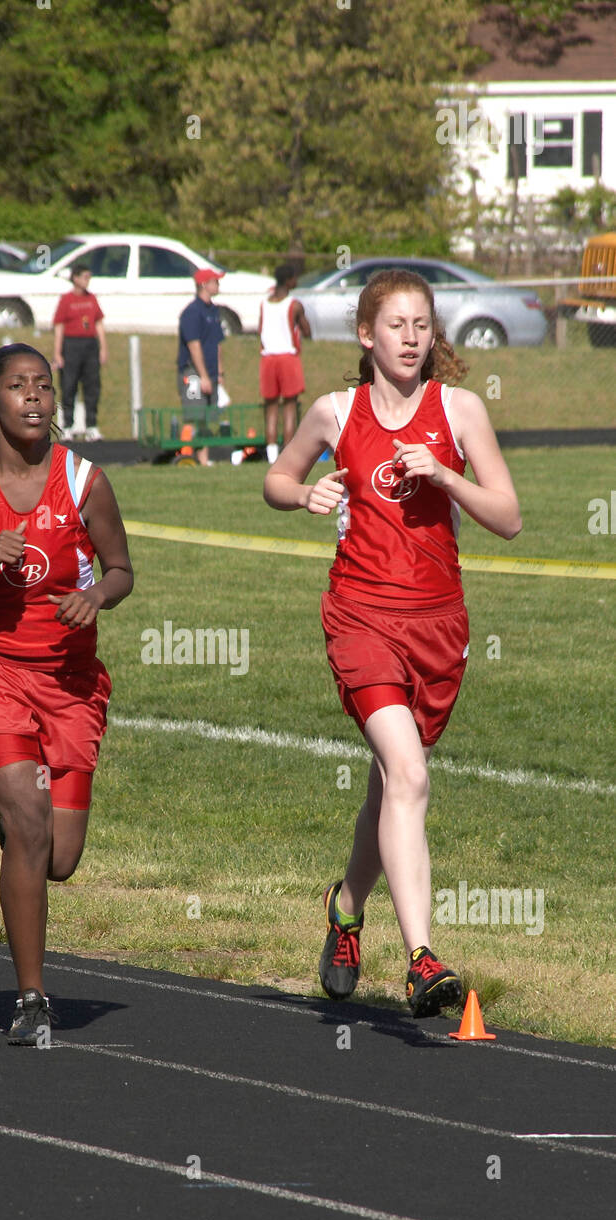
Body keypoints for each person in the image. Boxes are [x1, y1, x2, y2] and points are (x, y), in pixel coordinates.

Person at [263, 269, 521, 1018]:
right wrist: (302, 492)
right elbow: (277, 477)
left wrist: (445, 473)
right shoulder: (335, 411)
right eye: (396, 325)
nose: (411, 338)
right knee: (407, 774)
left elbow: (508, 516)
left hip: (440, 625)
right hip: (361, 618)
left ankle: (345, 907)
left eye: (422, 325)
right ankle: (421, 958)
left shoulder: (461, 410)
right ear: (367, 336)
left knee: (390, 784)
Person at [0, 343, 133, 1044]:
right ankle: (32, 999)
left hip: (68, 686)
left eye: (43, 385)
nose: (35, 397)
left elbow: (122, 567)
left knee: (59, 859)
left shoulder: (85, 480)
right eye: (18, 386)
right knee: (33, 826)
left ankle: (20, 827)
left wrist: (97, 595)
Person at [259, 263, 311, 464]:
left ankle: (271, 453)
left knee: (270, 406)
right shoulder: (294, 304)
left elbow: (260, 330)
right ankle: (287, 452)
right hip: (288, 358)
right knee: (290, 406)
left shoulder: (264, 303)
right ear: (289, 280)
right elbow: (306, 330)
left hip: (268, 358)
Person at [177, 268, 226, 467]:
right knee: (193, 415)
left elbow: (217, 344)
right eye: (215, 281)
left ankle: (203, 459)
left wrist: (219, 373)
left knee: (206, 417)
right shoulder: (192, 312)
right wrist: (203, 376)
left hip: (212, 372)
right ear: (204, 284)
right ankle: (185, 456)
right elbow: (194, 345)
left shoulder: (214, 311)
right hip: (194, 373)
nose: (219, 285)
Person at [53, 264, 107, 442]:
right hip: (71, 345)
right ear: (75, 278)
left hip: (90, 345)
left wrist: (103, 347)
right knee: (69, 386)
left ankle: (91, 426)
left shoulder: (91, 299)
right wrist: (58, 352)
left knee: (92, 386)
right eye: (84, 276)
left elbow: (98, 323)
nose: (87, 280)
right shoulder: (66, 300)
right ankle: (68, 426)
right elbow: (59, 326)